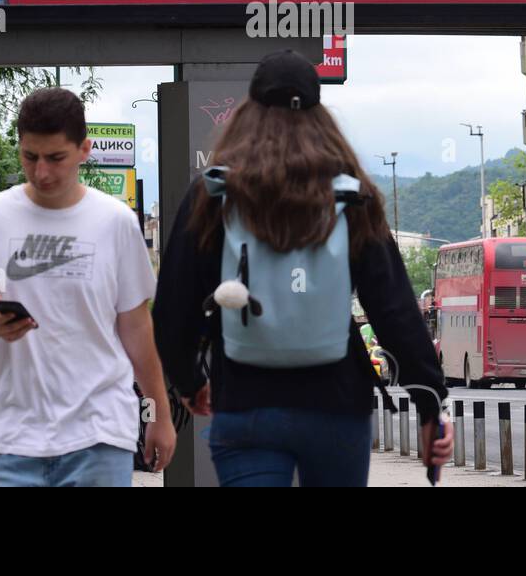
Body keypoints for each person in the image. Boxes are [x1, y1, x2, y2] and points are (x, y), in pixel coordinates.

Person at [152, 50, 453, 487]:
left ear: (248, 113)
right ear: (319, 117)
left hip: (244, 405)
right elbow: (395, 312)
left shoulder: (213, 193)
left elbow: (173, 309)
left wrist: (190, 381)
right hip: (336, 409)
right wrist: (430, 405)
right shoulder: (352, 197)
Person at [0, 87, 176, 486]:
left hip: (98, 435)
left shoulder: (114, 221)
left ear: (84, 149)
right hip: (8, 437)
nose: (41, 172)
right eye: (30, 157)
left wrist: (159, 414)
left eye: (55, 158)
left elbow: (136, 328)